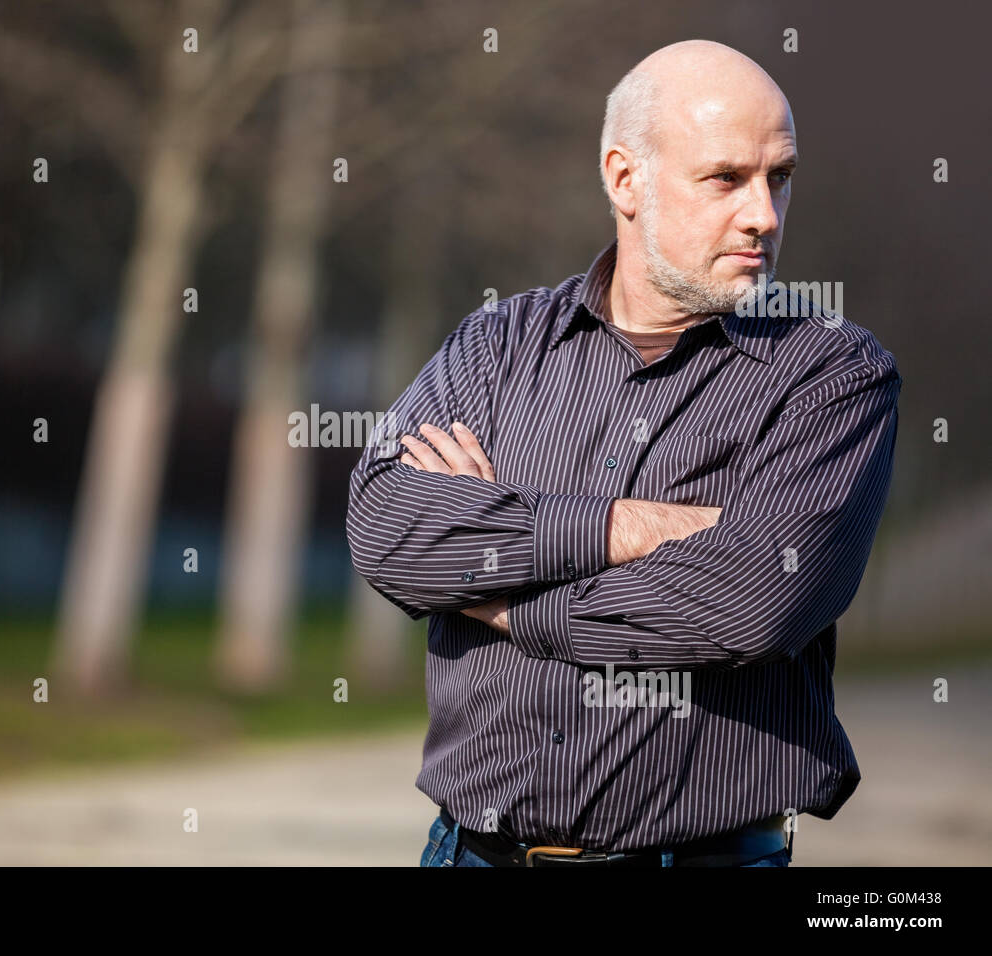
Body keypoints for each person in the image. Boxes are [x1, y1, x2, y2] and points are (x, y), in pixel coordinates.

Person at [345, 39, 901, 867]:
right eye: (725, 178)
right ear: (623, 177)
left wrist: (504, 600)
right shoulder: (498, 343)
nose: (763, 215)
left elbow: (754, 600)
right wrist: (630, 528)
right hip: (470, 852)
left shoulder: (835, 375)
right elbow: (386, 527)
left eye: (779, 177)